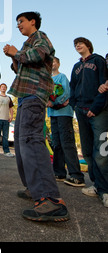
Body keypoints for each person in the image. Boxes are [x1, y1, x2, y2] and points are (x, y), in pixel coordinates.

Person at [3, 11, 69, 222]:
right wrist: (13, 56)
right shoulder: (25, 45)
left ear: (33, 22)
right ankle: (34, 188)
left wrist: (15, 53)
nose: (18, 25)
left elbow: (36, 56)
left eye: (21, 21)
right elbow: (20, 68)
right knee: (22, 146)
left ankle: (50, 199)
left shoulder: (40, 37)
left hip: (34, 95)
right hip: (23, 96)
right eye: (17, 23)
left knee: (31, 142)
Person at [69, 37, 108, 207]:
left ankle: (105, 190)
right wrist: (74, 105)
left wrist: (97, 106)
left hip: (98, 110)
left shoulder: (98, 60)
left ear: (88, 45)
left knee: (101, 152)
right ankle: (96, 185)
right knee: (87, 152)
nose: (78, 45)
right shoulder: (76, 67)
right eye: (75, 44)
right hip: (81, 110)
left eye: (80, 43)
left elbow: (104, 86)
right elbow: (72, 87)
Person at [47, 57, 85, 186]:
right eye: (50, 62)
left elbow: (66, 93)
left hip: (63, 113)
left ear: (58, 64)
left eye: (54, 61)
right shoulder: (47, 80)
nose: (52, 64)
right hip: (53, 114)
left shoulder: (62, 77)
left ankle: (76, 176)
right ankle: (59, 172)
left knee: (67, 142)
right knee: (56, 143)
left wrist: (54, 102)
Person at [0, 83, 14, 156]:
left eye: (4, 87)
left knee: (5, 136)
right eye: (2, 87)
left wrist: (11, 116)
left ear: (6, 89)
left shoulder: (8, 98)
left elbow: (11, 108)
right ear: (0, 88)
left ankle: (6, 151)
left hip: (6, 120)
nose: (3, 88)